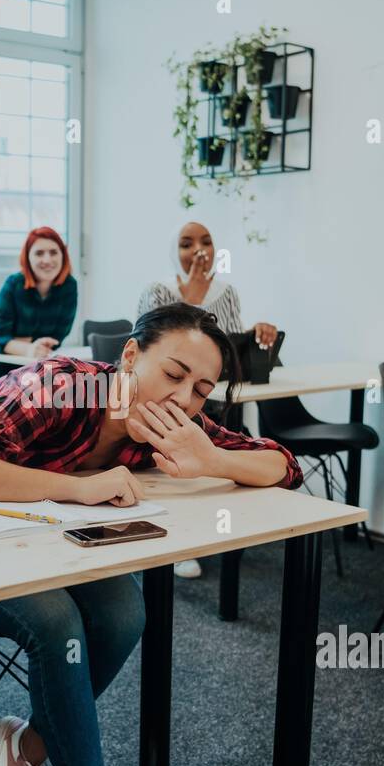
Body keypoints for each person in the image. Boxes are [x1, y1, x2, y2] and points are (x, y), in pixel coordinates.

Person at [0, 302, 303, 766]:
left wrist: (213, 459)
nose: (183, 401)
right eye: (172, 375)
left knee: (125, 613)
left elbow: (284, 463)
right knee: (56, 625)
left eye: (201, 390)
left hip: (52, 549)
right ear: (130, 355)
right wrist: (80, 490)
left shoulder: (176, 421)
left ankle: (27, 746)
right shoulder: (56, 384)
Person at [137, 220, 280, 578]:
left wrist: (254, 335)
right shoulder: (158, 290)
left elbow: (225, 349)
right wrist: (196, 294)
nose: (198, 250)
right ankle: (178, 540)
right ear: (175, 252)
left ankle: (219, 526)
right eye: (186, 244)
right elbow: (150, 347)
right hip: (162, 403)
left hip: (213, 396)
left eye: (206, 242)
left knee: (230, 435)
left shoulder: (226, 291)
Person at [0, 226, 78, 383]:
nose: (47, 260)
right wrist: (29, 348)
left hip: (38, 372)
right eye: (39, 253)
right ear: (27, 258)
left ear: (63, 255)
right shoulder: (13, 284)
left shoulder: (69, 286)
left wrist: (10, 341)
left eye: (53, 252)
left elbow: (56, 339)